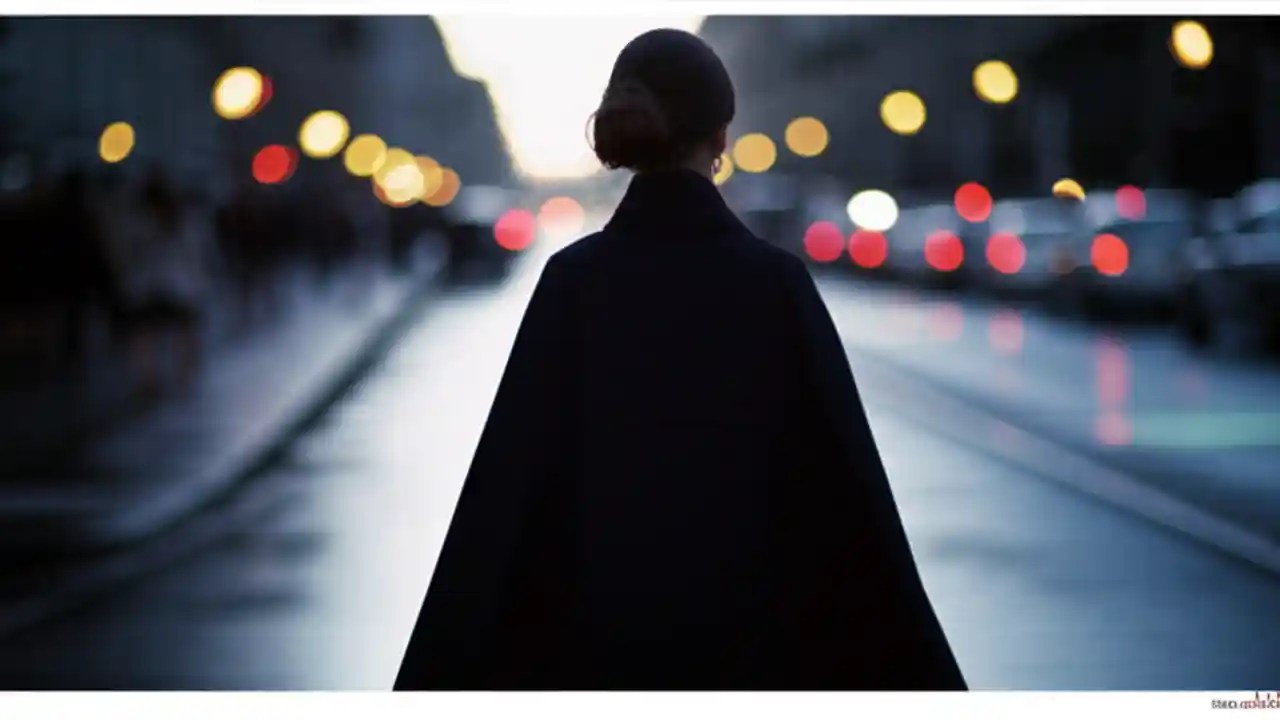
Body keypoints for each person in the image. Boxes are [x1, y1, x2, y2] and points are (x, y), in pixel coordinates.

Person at [396, 28, 967, 691]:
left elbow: (504, 503)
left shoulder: (573, 283)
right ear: (720, 138)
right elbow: (849, 505)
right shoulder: (775, 284)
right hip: (750, 653)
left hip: (600, 652)